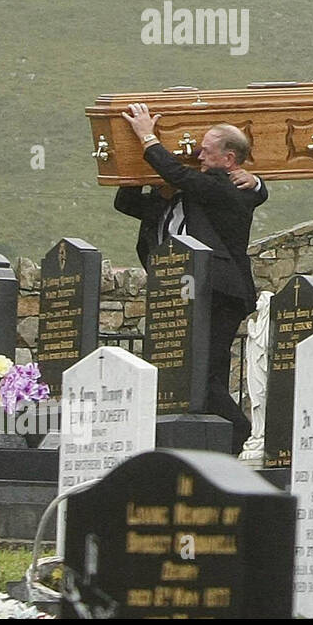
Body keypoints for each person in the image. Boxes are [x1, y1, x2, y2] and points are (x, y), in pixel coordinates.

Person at [118, 104, 267, 453]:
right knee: (189, 375)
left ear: (229, 159)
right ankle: (213, 440)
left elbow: (184, 176)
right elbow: (127, 203)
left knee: (208, 373)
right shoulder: (186, 191)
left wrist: (147, 136)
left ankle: (240, 436)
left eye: (207, 148)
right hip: (179, 290)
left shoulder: (225, 187)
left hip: (219, 291)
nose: (198, 152)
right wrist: (140, 173)